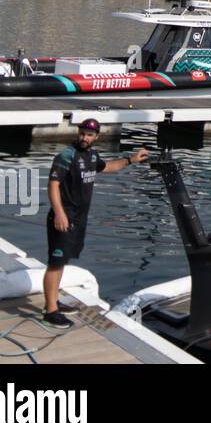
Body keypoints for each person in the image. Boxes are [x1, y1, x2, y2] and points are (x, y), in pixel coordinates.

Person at [42, 119, 148, 328]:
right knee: (55, 263)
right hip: (63, 218)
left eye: (89, 135)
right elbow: (53, 185)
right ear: (78, 133)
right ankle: (50, 310)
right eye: (82, 134)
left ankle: (54, 302)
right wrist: (59, 214)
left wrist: (130, 160)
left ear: (96, 136)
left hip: (79, 220)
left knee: (63, 261)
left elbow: (107, 167)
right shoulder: (66, 155)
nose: (85, 138)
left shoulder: (92, 155)